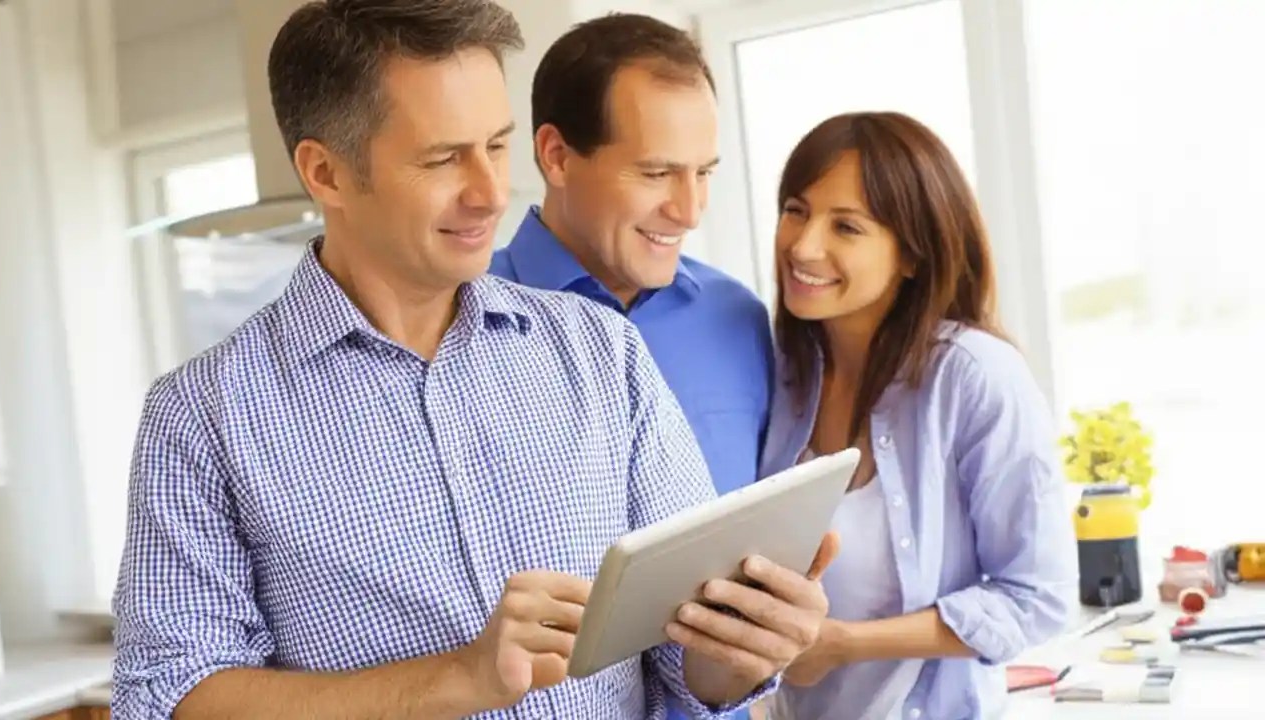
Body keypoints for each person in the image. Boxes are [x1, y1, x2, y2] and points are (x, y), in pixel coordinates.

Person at [109, 2, 839, 719]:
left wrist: (743, 646)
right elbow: (167, 695)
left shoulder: (600, 351)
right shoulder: (203, 414)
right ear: (325, 173)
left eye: (496, 145)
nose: (491, 192)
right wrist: (458, 677)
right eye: (441, 158)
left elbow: (686, 663)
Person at [757, 112, 1078, 720]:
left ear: (911, 255)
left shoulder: (974, 375)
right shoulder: (779, 371)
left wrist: (841, 646)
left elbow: (1036, 596)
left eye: (846, 226)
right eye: (796, 209)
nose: (803, 245)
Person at [490, 13, 773, 503]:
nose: (688, 213)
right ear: (556, 155)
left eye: (703, 172)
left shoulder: (737, 319)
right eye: (657, 173)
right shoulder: (454, 317)